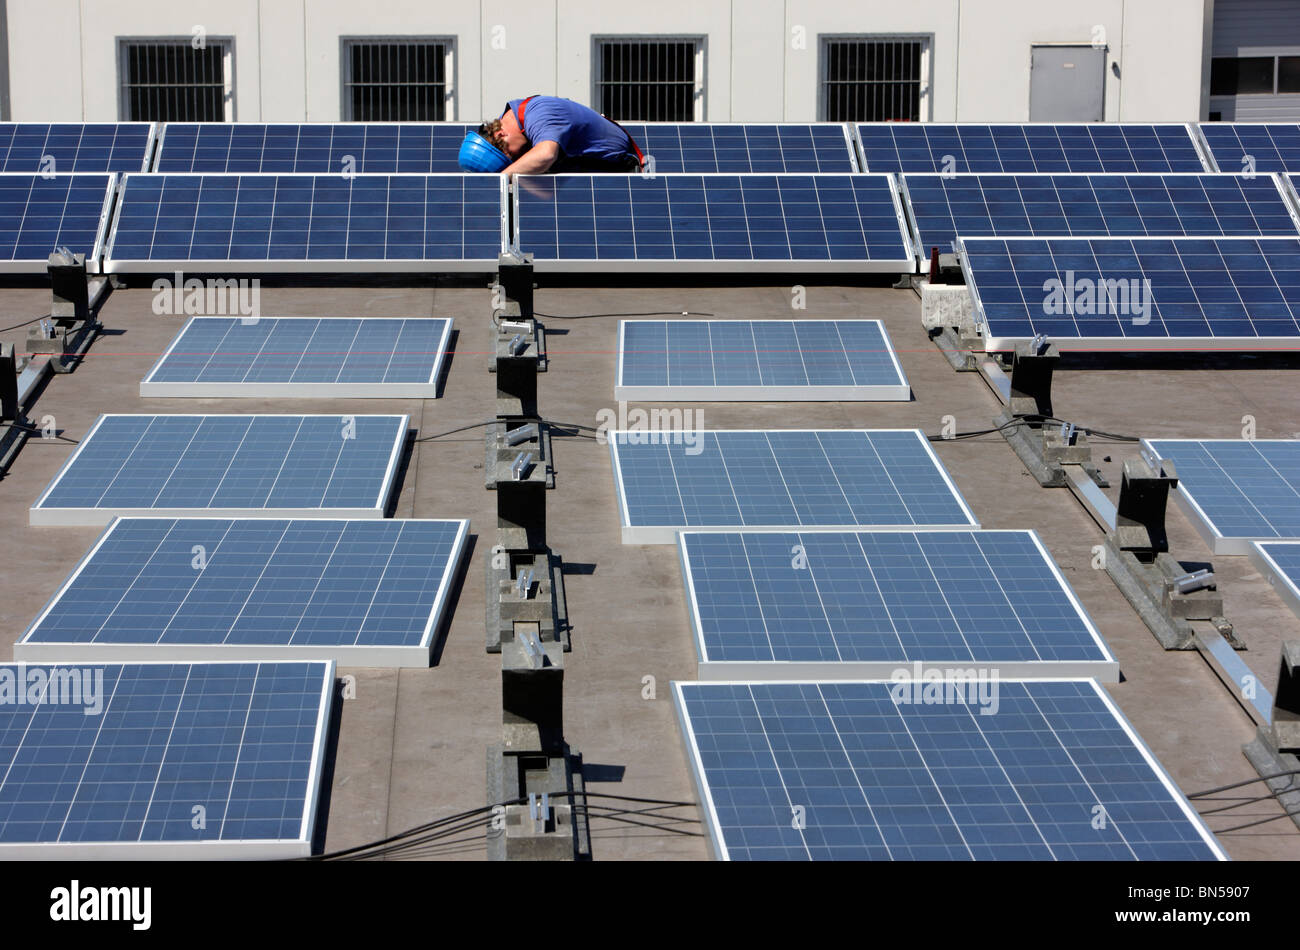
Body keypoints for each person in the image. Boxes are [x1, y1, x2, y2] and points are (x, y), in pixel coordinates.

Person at [477, 96, 643, 177]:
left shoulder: (540, 115)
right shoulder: (508, 119)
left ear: (501, 133)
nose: (513, 159)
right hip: (582, 169)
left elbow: (545, 155)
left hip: (616, 169)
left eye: (509, 154)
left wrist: (501, 180)